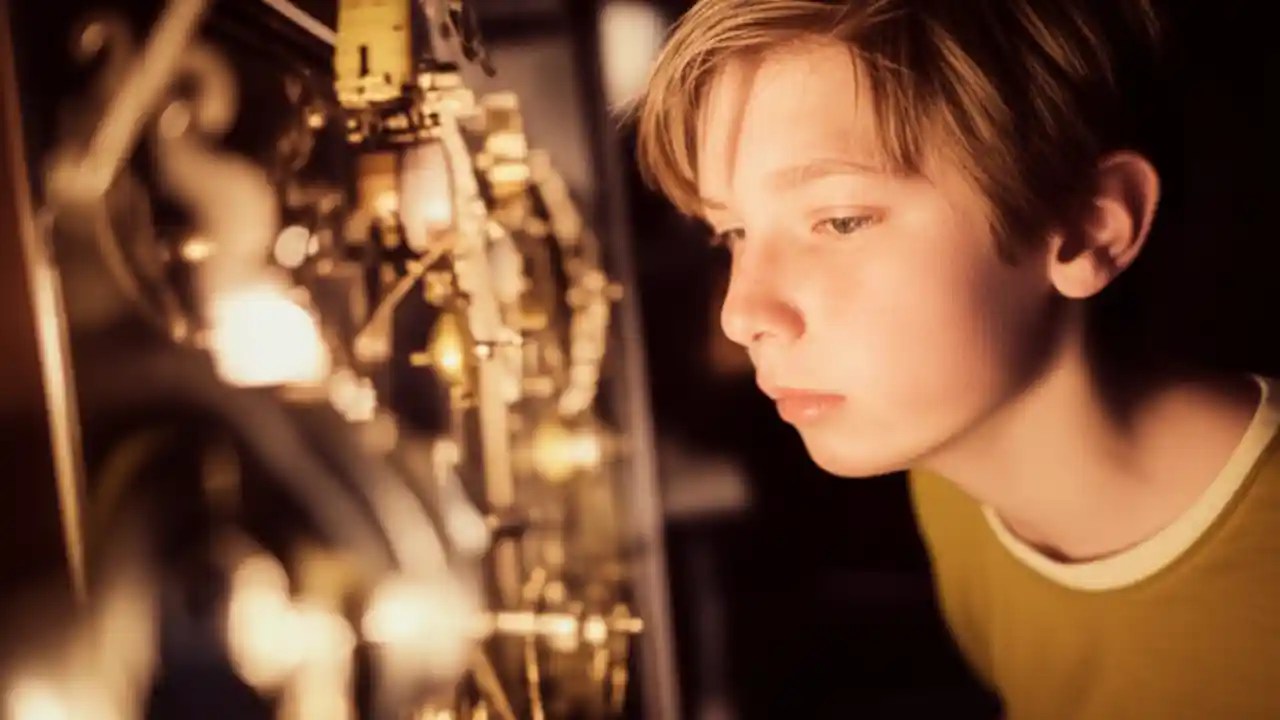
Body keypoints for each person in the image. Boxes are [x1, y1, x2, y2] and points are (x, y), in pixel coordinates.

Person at [631, 1, 1280, 718]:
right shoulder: (953, 475)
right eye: (733, 232)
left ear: (1086, 226)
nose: (741, 314)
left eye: (841, 220)